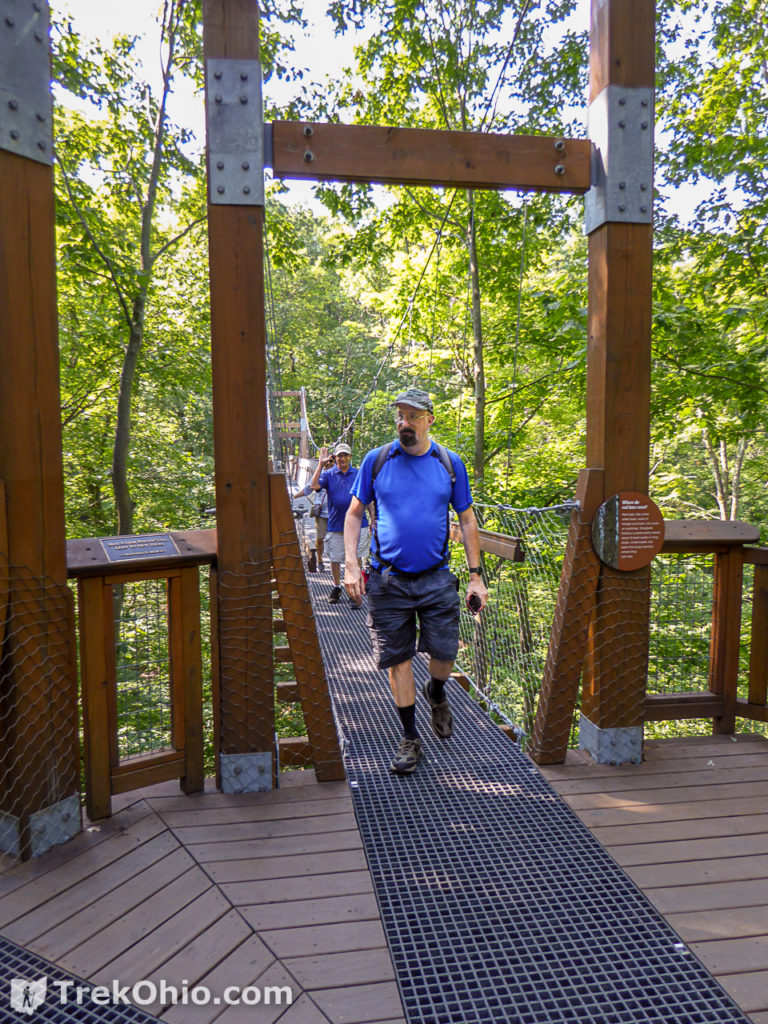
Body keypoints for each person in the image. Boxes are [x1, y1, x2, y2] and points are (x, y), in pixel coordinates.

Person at [343, 388, 488, 774]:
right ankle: (410, 737)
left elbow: (468, 519)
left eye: (412, 416)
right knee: (398, 658)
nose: (403, 424)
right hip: (388, 580)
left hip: (436, 576)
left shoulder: (449, 463)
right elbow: (354, 514)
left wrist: (476, 578)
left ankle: (436, 691)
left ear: (429, 419)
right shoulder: (377, 460)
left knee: (444, 654)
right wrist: (351, 564)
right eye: (400, 416)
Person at [311, 442, 370, 605]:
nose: (342, 458)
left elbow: (369, 499)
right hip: (337, 524)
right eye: (339, 455)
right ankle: (337, 586)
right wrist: (320, 464)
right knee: (335, 559)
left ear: (350, 457)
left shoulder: (358, 474)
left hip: (359, 524)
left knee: (357, 558)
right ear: (334, 458)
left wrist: (374, 519)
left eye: (345, 455)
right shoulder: (329, 474)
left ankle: (355, 590)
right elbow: (314, 486)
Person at [295, 453, 333, 570]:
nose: (329, 463)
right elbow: (308, 488)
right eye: (327, 461)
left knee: (336, 539)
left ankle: (336, 562)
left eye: (331, 461)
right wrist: (293, 497)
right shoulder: (319, 476)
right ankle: (320, 559)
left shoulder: (340, 475)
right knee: (320, 539)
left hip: (336, 514)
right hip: (322, 513)